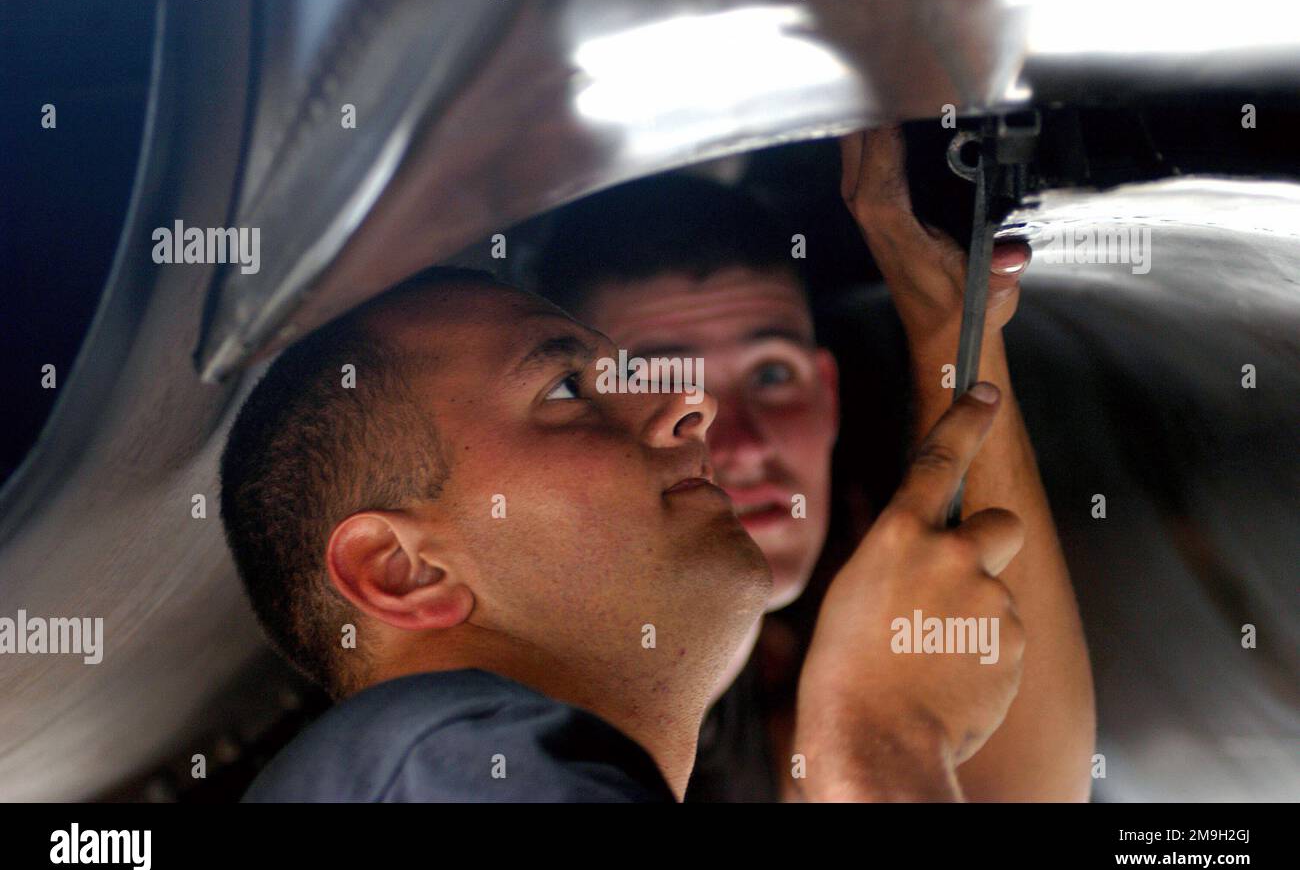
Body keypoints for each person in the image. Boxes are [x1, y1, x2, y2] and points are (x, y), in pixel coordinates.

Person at [220, 268, 1027, 801]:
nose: (692, 407)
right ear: (399, 570)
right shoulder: (437, 764)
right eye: (568, 386)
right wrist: (877, 739)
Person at [535, 128, 1095, 801]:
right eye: (665, 384)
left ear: (827, 397)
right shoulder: (525, 724)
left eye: (773, 374)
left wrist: (953, 330)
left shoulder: (819, 633)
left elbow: (1012, 793)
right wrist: (875, 745)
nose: (743, 441)